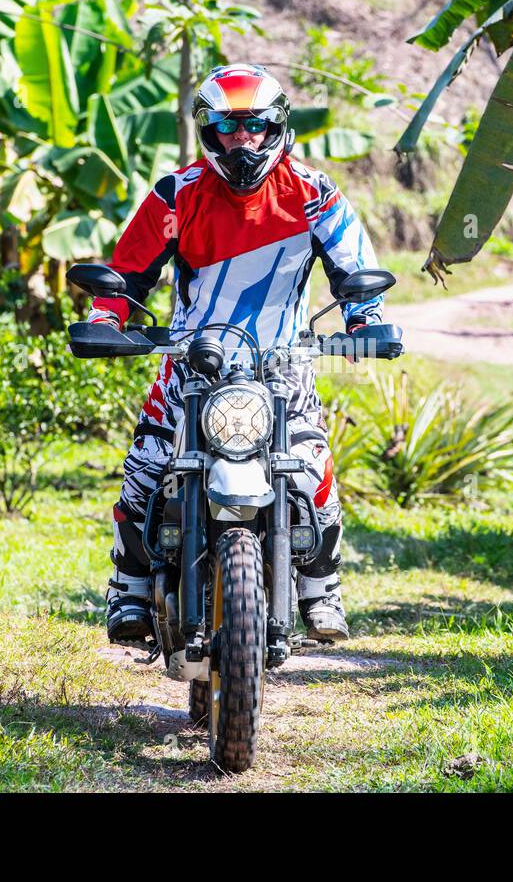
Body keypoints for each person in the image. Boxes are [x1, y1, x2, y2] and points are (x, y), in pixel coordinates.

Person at [90, 63, 389, 647]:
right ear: (207, 129)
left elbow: (354, 270)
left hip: (285, 368)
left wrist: (366, 320)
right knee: (143, 471)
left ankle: (320, 587)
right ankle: (127, 588)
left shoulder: (314, 193)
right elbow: (126, 275)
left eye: (253, 125)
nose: (241, 139)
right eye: (226, 126)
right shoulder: (176, 194)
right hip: (187, 363)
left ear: (277, 125)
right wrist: (107, 319)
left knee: (316, 479)